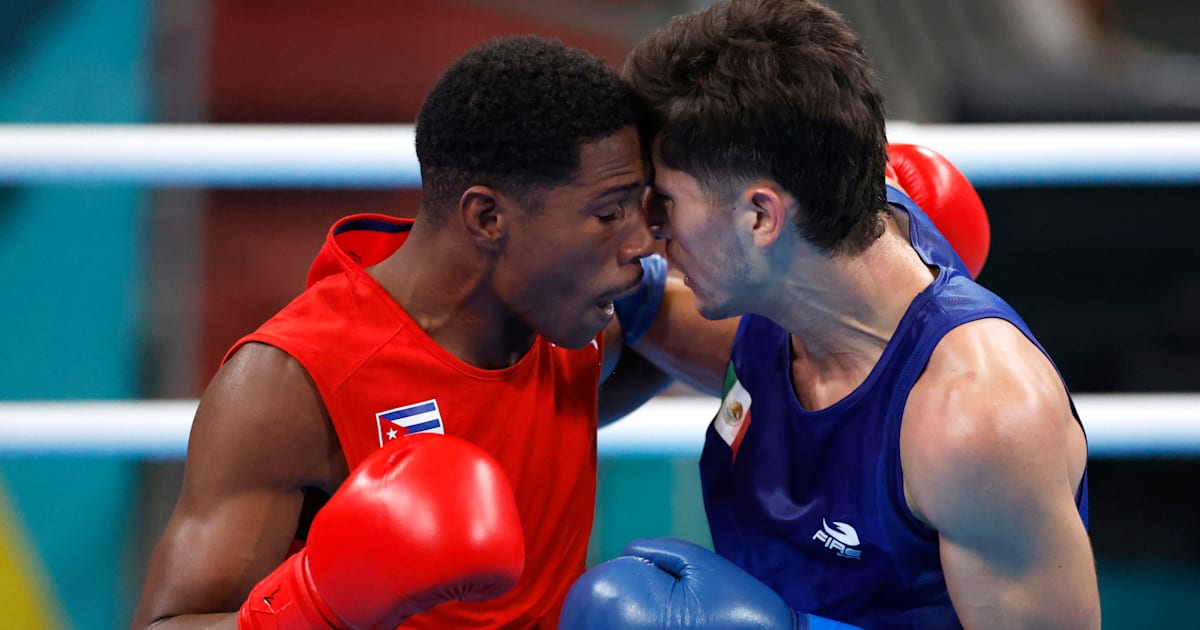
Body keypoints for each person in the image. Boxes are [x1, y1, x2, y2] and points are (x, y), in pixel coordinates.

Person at [561, 1, 1100, 628]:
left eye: (667, 203)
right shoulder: (788, 294)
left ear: (761, 217)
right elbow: (636, 319)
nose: (651, 232)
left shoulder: (976, 423)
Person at [131, 35, 662, 629]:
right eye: (610, 213)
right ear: (487, 217)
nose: (640, 242)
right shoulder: (289, 384)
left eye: (644, 210)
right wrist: (316, 603)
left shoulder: (575, 323)